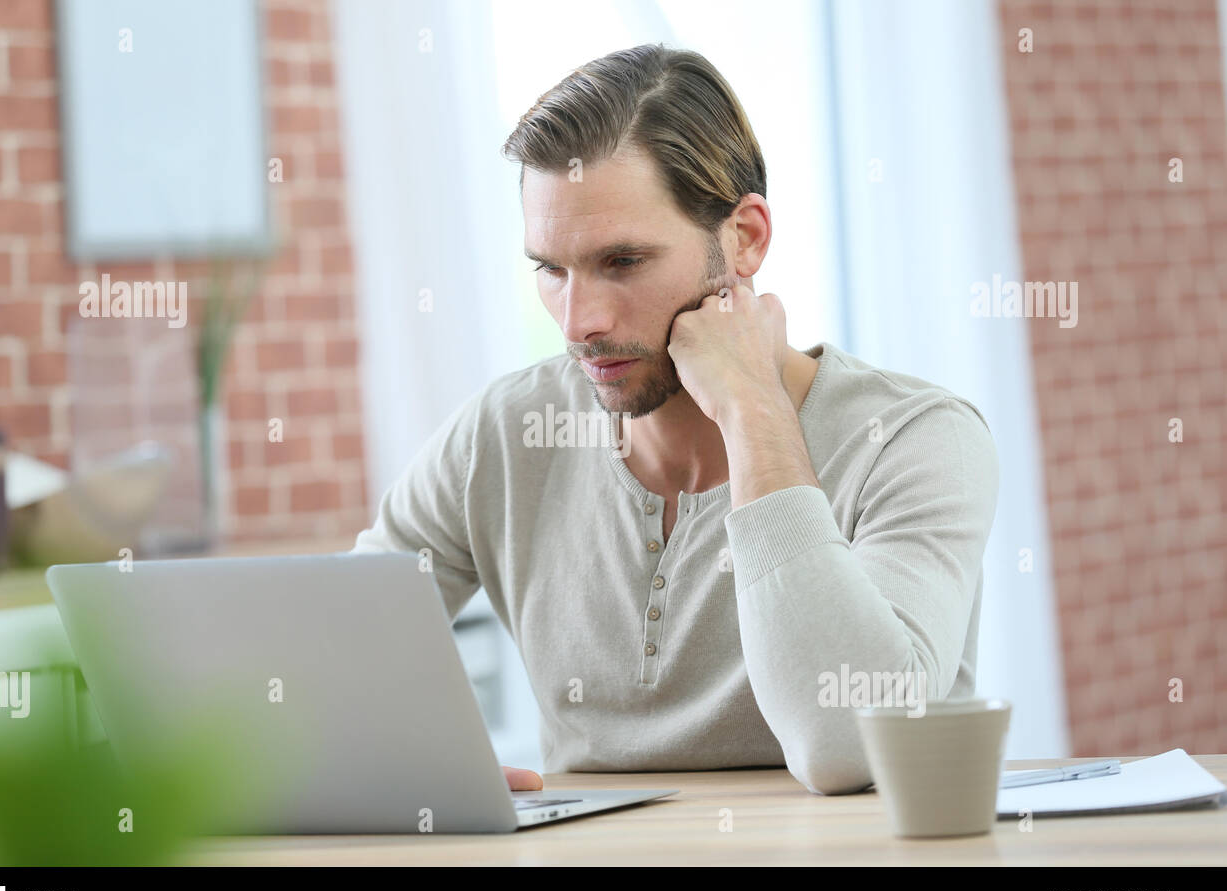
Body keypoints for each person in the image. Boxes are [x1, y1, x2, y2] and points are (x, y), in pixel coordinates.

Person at [351, 43, 998, 795]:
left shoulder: (916, 440)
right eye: (551, 270)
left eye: (623, 262)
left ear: (745, 238)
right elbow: (331, 664)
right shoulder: (504, 433)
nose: (578, 322)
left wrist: (754, 414)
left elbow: (850, 745)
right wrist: (418, 771)